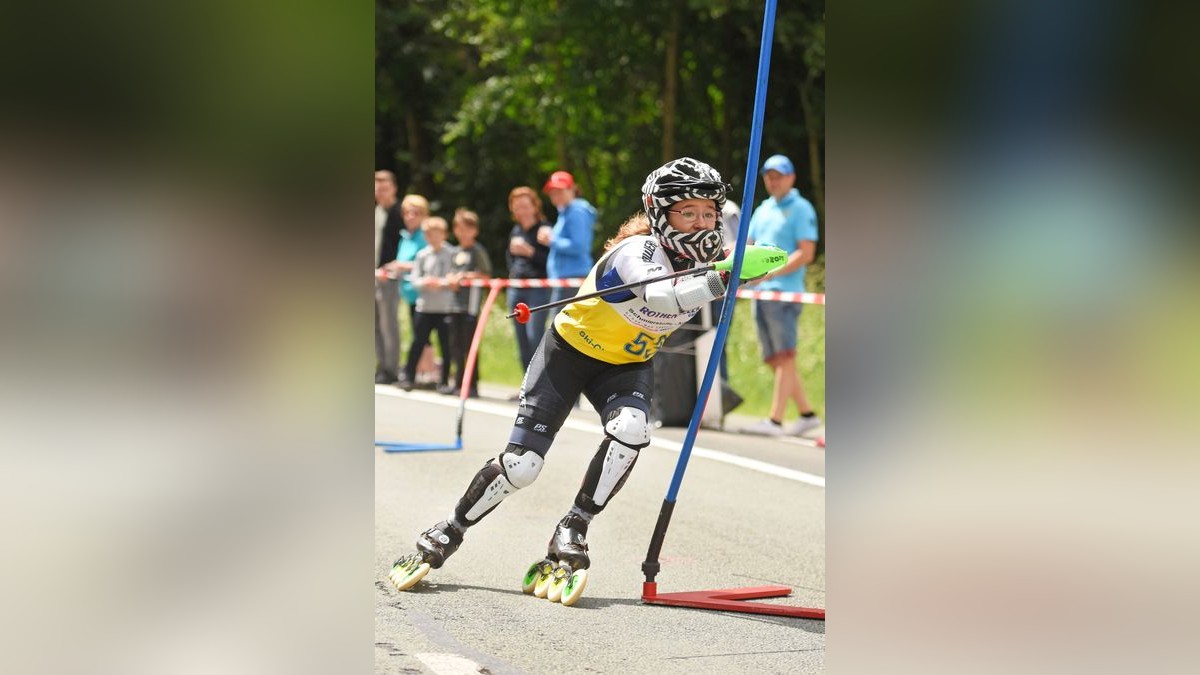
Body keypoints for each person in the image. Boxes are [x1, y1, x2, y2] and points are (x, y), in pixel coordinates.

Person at [389, 157, 756, 605]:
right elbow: (665, 294)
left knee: (632, 430)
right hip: (568, 355)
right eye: (687, 213)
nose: (701, 223)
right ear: (660, 214)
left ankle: (574, 526)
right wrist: (724, 278)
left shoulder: (714, 257)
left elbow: (742, 255)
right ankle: (450, 529)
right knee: (522, 467)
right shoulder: (637, 252)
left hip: (625, 366)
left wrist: (749, 262)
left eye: (708, 213)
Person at [741, 154, 822, 436]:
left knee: (786, 355)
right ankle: (807, 413)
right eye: (769, 175)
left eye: (779, 175)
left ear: (791, 177)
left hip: (785, 294)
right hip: (760, 293)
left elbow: (807, 253)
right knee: (775, 358)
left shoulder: (801, 208)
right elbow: (748, 246)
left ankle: (775, 420)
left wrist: (773, 272)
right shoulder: (762, 209)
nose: (773, 180)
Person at [396, 217, 457, 393]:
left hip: (444, 307)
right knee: (418, 342)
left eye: (437, 234)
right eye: (429, 235)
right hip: (425, 306)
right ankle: (408, 376)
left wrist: (442, 283)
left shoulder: (451, 253)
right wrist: (425, 282)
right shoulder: (423, 255)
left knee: (446, 345)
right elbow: (414, 278)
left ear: (444, 234)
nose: (433, 238)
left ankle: (444, 380)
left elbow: (454, 277)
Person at [444, 208, 493, 397]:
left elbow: (486, 274)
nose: (463, 233)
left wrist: (465, 276)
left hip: (470, 306)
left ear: (475, 230)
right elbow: (450, 271)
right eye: (459, 228)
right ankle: (457, 382)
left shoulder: (477, 251)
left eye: (467, 229)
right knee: (455, 344)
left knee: (469, 345)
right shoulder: (455, 251)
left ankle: (471, 384)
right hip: (454, 304)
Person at [505, 187, 552, 374]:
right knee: (521, 339)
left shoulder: (544, 229)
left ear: (535, 207)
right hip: (516, 288)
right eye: (517, 207)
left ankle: (542, 383)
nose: (521, 211)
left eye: (525, 206)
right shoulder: (516, 230)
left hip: (538, 288)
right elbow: (509, 256)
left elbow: (551, 262)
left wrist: (529, 252)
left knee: (535, 336)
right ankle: (526, 385)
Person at [539, 170, 596, 325]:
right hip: (565, 279)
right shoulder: (566, 211)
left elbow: (580, 246)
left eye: (559, 190)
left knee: (558, 328)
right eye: (552, 191)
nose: (555, 195)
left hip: (572, 279)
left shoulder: (577, 211)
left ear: (572, 189)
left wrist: (551, 240)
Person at [374, 171, 404, 384]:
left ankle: (391, 368)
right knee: (373, 323)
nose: (379, 192)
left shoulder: (400, 212)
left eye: (384, 187)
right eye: (376, 188)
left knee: (388, 323)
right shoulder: (375, 212)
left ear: (394, 188)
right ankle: (381, 365)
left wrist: (391, 268)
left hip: (389, 277)